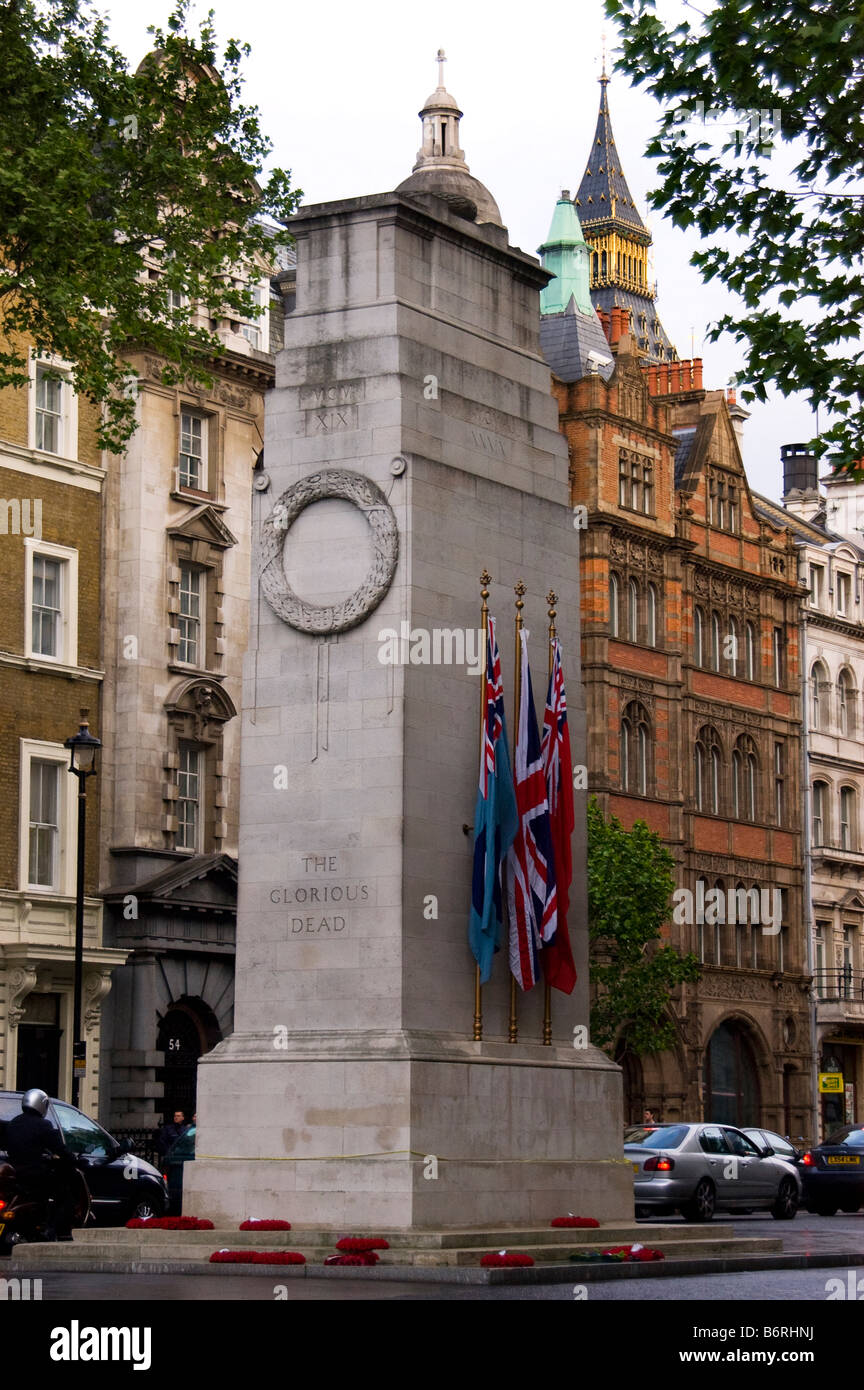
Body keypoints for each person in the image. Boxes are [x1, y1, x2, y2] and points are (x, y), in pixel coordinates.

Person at [4, 1088, 77, 1240]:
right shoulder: (43, 1125)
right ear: (41, 1105)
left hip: (16, 1174)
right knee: (64, 1195)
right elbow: (59, 1148)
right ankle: (51, 1228)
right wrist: (71, 1158)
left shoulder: (13, 1123)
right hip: (35, 1175)